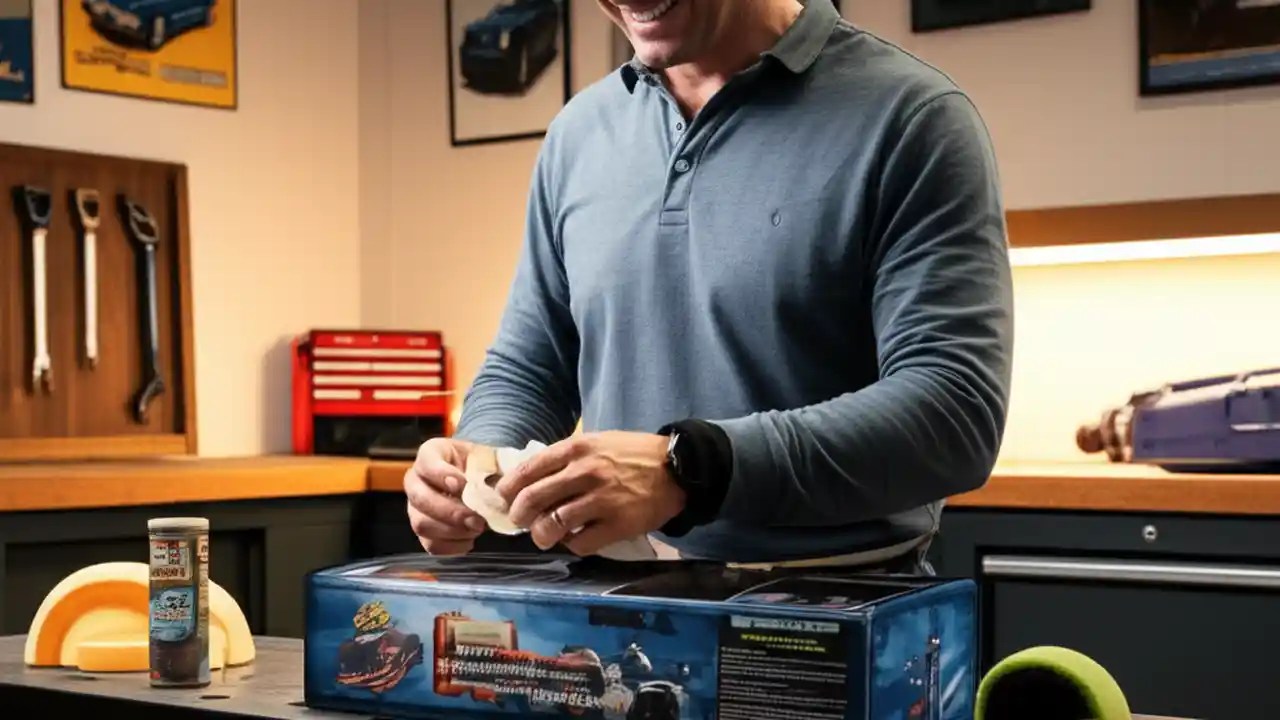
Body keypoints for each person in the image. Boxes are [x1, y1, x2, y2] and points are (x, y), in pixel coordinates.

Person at [404, 0, 1014, 570]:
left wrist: (689, 469)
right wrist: (475, 461)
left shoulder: (912, 118)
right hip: (611, 602)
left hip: (833, 604)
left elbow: (954, 412)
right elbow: (529, 368)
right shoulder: (577, 134)